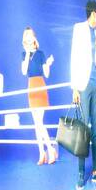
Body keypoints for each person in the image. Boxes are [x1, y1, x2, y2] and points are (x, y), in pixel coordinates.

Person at [70, 0, 96, 189]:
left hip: (95, 85)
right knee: (83, 131)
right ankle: (80, 173)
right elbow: (74, 57)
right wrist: (74, 87)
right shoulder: (79, 29)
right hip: (83, 86)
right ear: (93, 13)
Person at [20, 27, 56, 166]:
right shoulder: (24, 54)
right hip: (31, 87)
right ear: (25, 39)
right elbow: (24, 71)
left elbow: (46, 73)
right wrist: (28, 54)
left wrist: (48, 64)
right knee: (36, 124)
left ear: (34, 37)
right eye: (26, 36)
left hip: (40, 85)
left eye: (30, 35)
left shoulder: (41, 54)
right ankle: (42, 153)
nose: (29, 38)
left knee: (39, 123)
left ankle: (50, 150)